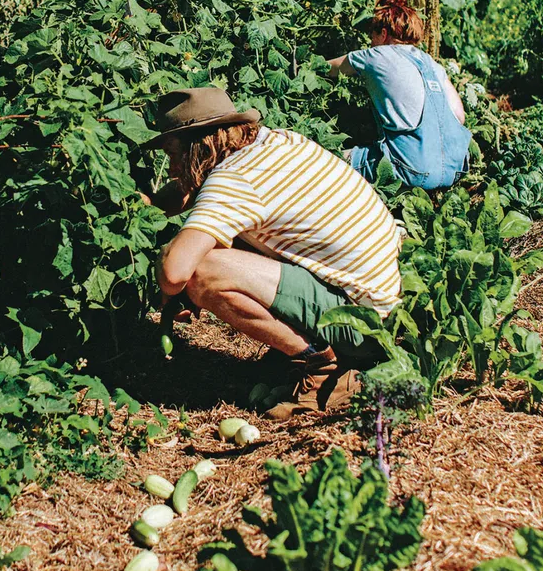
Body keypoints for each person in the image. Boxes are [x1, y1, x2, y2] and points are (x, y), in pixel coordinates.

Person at [146, 87, 402, 421]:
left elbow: (175, 272)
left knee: (201, 272)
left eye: (173, 154)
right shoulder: (274, 143)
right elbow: (188, 189)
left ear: (199, 147)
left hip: (361, 327)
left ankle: (321, 365)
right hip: (386, 308)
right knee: (222, 241)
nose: (171, 167)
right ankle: (311, 347)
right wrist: (147, 204)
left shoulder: (233, 181)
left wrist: (170, 292)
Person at [327, 0, 471, 190]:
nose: (371, 42)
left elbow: (328, 68)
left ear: (384, 34)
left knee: (326, 162)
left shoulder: (376, 55)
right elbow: (459, 116)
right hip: (455, 169)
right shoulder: (432, 64)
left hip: (413, 169)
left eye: (373, 36)